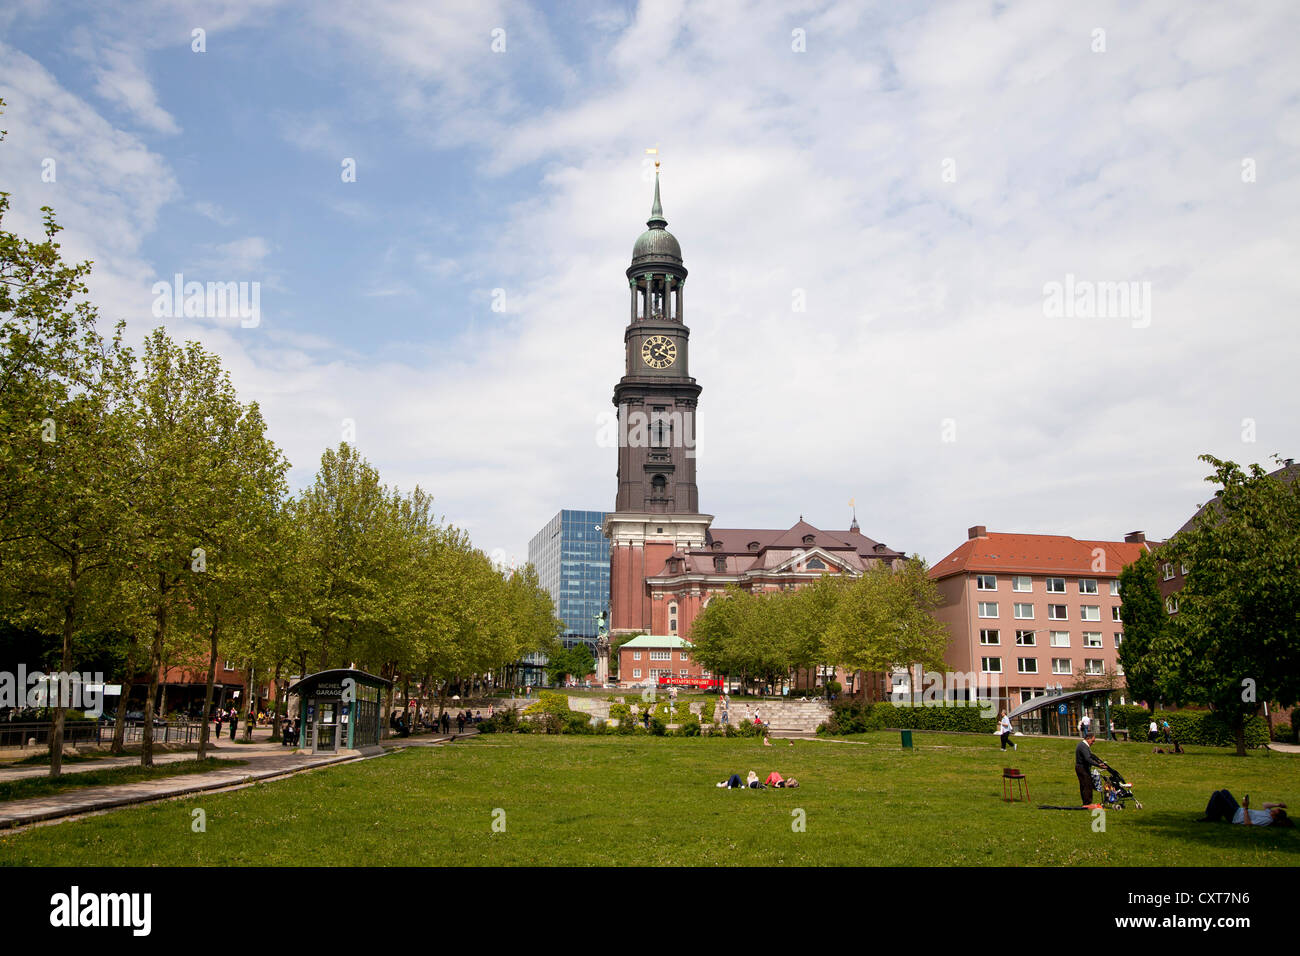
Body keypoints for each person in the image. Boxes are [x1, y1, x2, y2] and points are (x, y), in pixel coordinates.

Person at [1198, 791, 1292, 826]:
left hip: (1234, 817)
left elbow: (1248, 823)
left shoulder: (1266, 820)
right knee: (1224, 791)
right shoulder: (1268, 814)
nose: (1271, 810)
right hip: (1238, 810)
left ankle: (1210, 815)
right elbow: (1265, 805)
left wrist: (1246, 808)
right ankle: (1216, 816)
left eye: (1274, 811)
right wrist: (1278, 804)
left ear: (1275, 817)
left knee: (1217, 794)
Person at [1075, 733, 1108, 806]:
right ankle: (1087, 803)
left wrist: (1099, 760)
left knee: (1086, 784)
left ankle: (1087, 803)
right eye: (1092, 741)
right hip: (1082, 768)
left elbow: (1091, 755)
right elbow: (1088, 758)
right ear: (1088, 739)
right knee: (1087, 785)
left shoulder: (1084, 745)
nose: (1093, 743)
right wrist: (1098, 765)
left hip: (1082, 767)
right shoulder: (1083, 746)